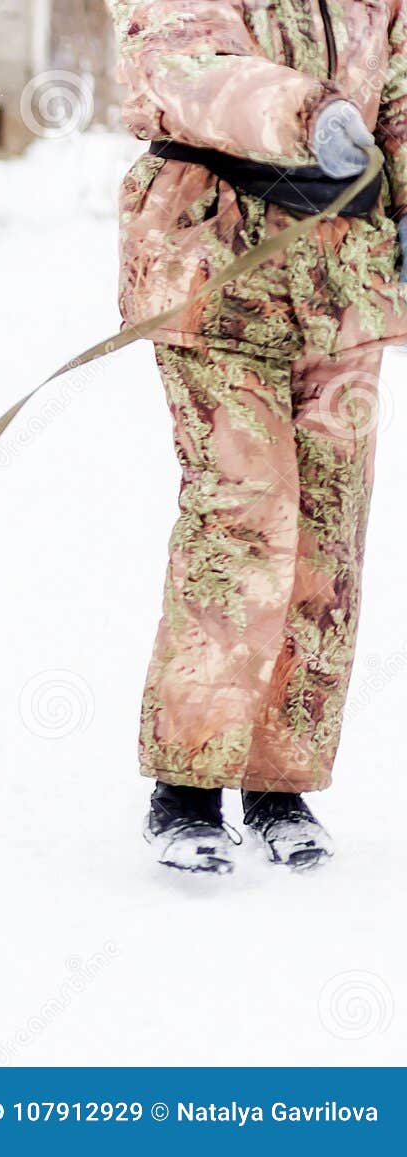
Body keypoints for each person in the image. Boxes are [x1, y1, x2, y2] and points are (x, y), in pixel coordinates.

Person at [114, 1, 407, 873]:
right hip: (213, 264)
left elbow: (398, 92)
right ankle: (188, 784)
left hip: (345, 276)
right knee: (244, 516)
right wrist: (306, 113)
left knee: (327, 534)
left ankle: (280, 782)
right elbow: (176, 64)